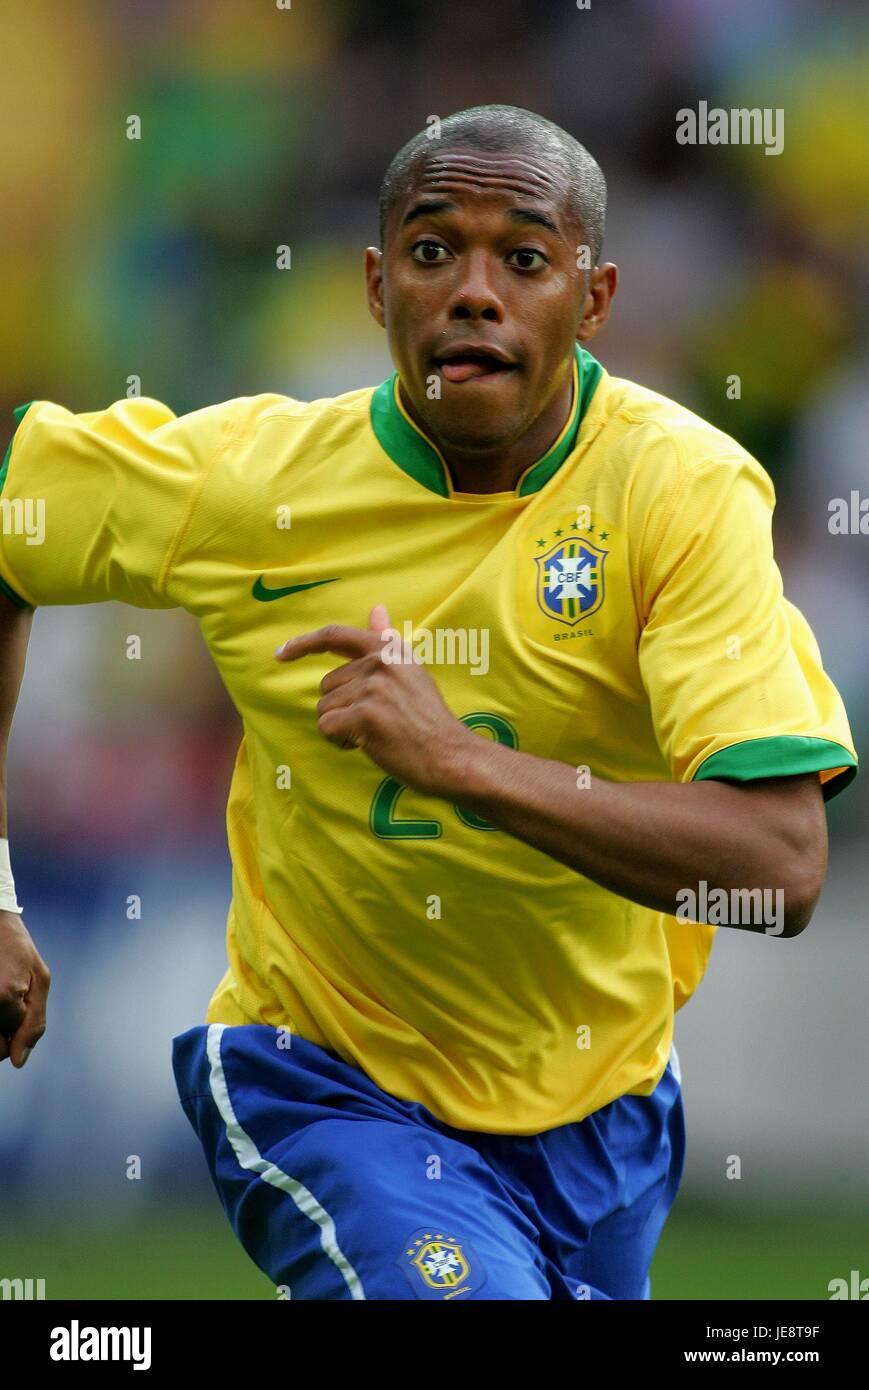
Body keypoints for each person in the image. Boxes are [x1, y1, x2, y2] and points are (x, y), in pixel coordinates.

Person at [0, 105, 857, 1300]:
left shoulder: (681, 495)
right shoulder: (253, 482)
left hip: (602, 1118)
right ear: (373, 286)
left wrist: (457, 762)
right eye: (430, 249)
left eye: (522, 258)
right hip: (326, 1081)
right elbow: (10, 537)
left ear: (593, 298)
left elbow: (780, 863)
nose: (471, 292)